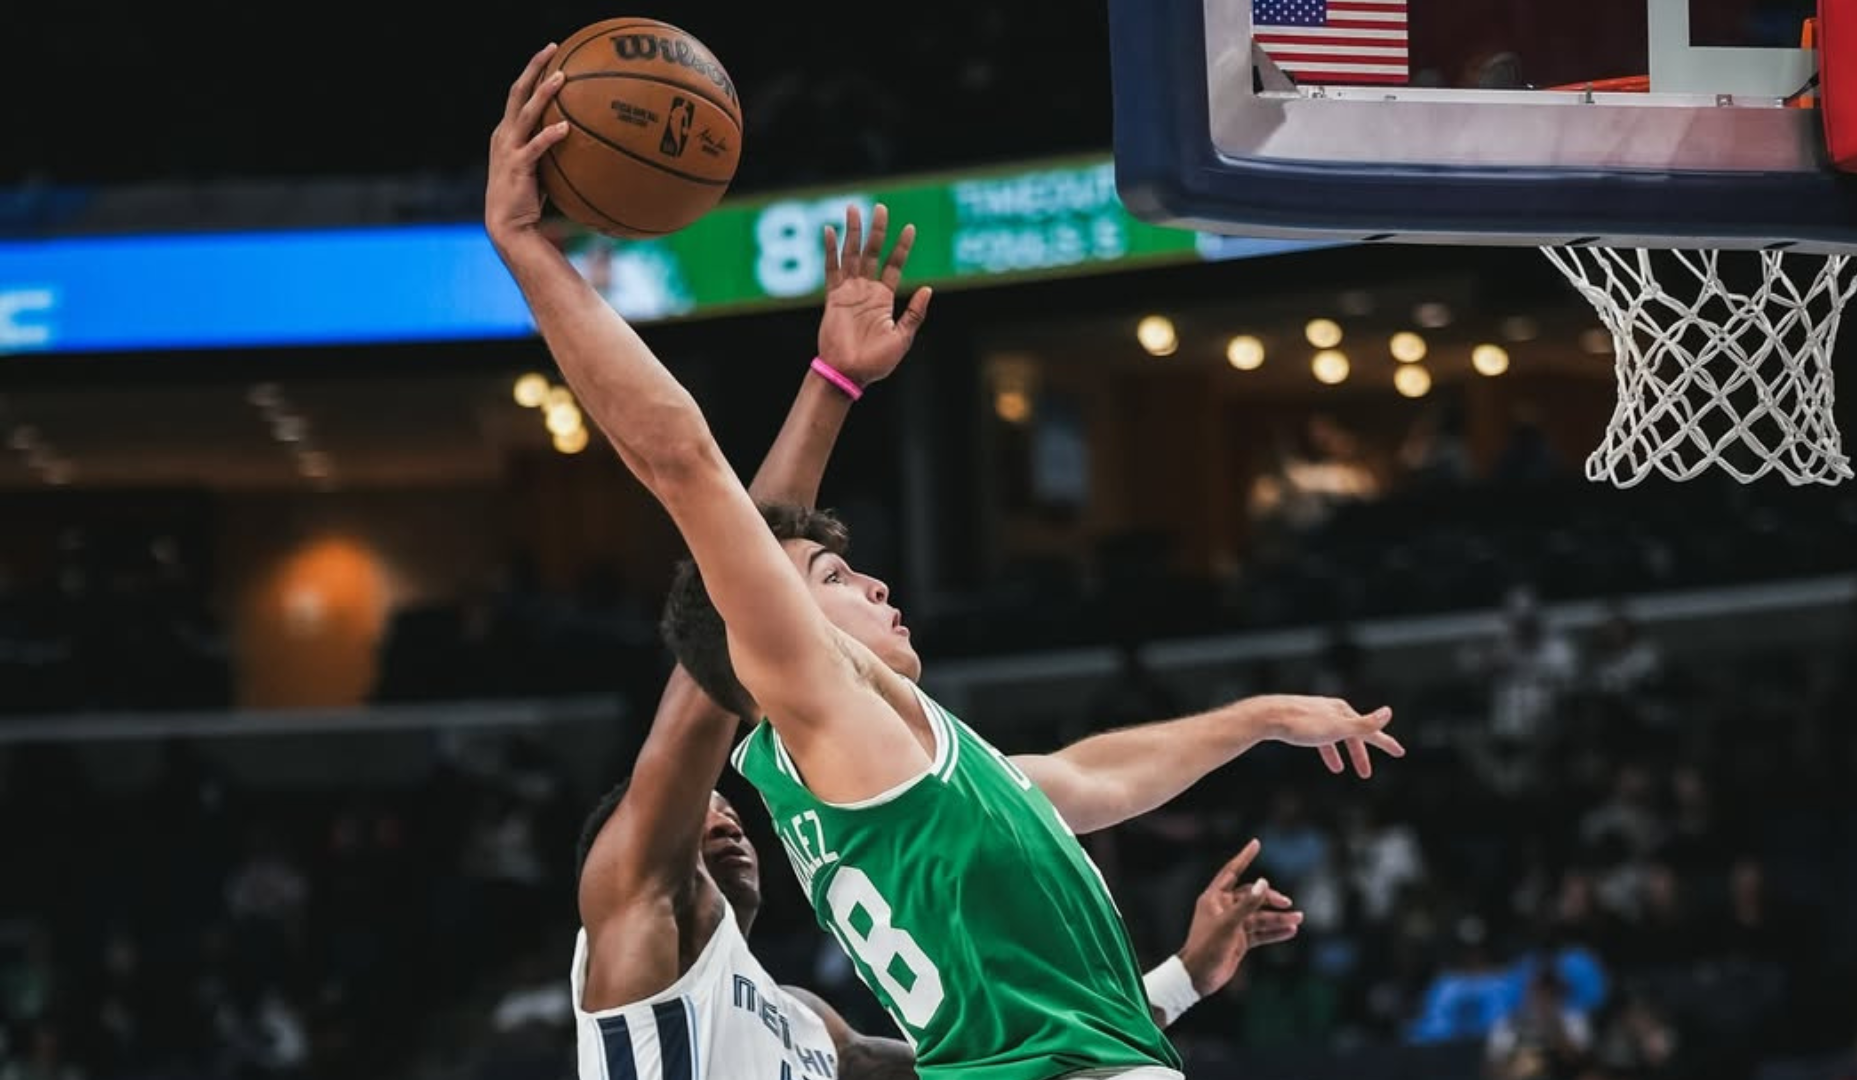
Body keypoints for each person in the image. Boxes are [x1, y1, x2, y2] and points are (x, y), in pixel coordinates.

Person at [486, 45, 1402, 1080]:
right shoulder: (788, 744)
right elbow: (691, 472)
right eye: (834, 583)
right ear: (772, 631)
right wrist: (526, 248)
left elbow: (1079, 782)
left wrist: (1262, 731)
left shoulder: (859, 852)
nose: (875, 581)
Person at [566, 201, 1303, 1080]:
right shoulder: (638, 903)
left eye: (722, 807)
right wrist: (531, 250)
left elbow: (1005, 1053)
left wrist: (1179, 980)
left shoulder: (807, 1015)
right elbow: (708, 513)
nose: (723, 821)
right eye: (699, 813)